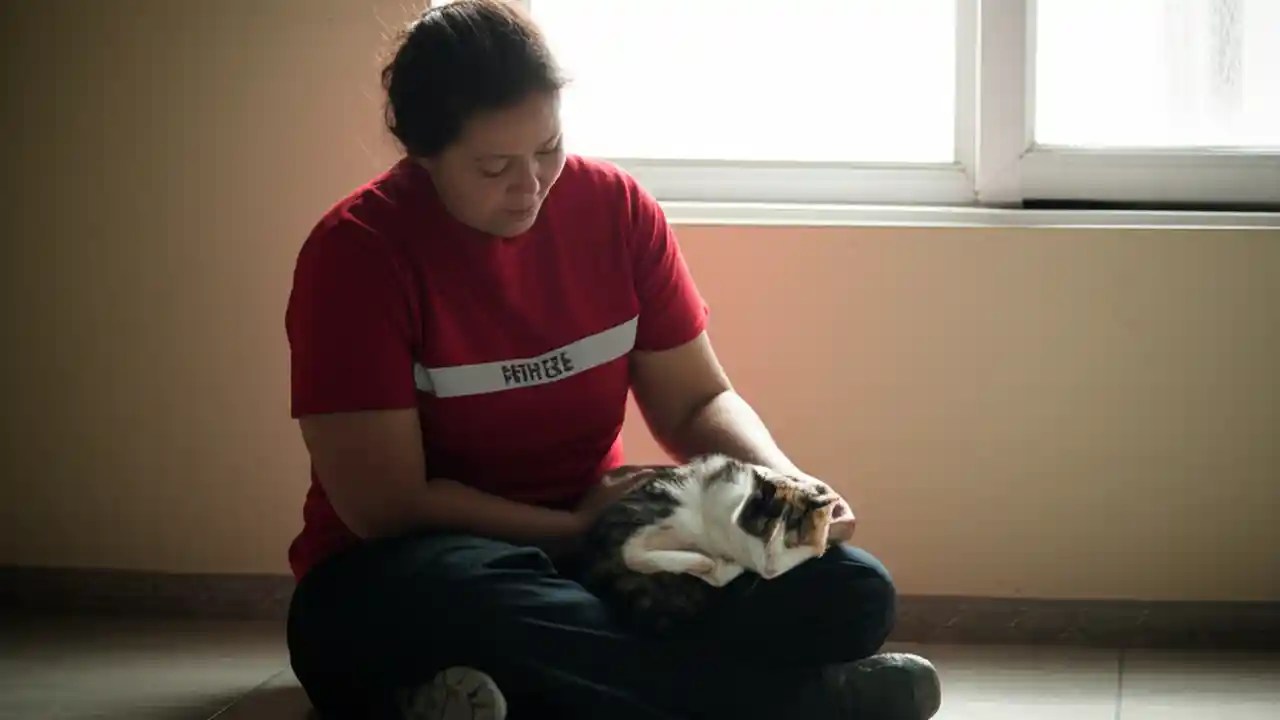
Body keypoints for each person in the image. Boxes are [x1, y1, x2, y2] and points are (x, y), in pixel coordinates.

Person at [283, 2, 941, 718]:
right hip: (419, 566)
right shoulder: (357, 255)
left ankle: (528, 695)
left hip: (607, 557)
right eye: (495, 166)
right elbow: (387, 507)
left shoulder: (616, 211)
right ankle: (800, 703)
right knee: (487, 607)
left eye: (548, 149)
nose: (531, 185)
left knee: (850, 590)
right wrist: (572, 529)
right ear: (422, 154)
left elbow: (695, 404)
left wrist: (784, 488)